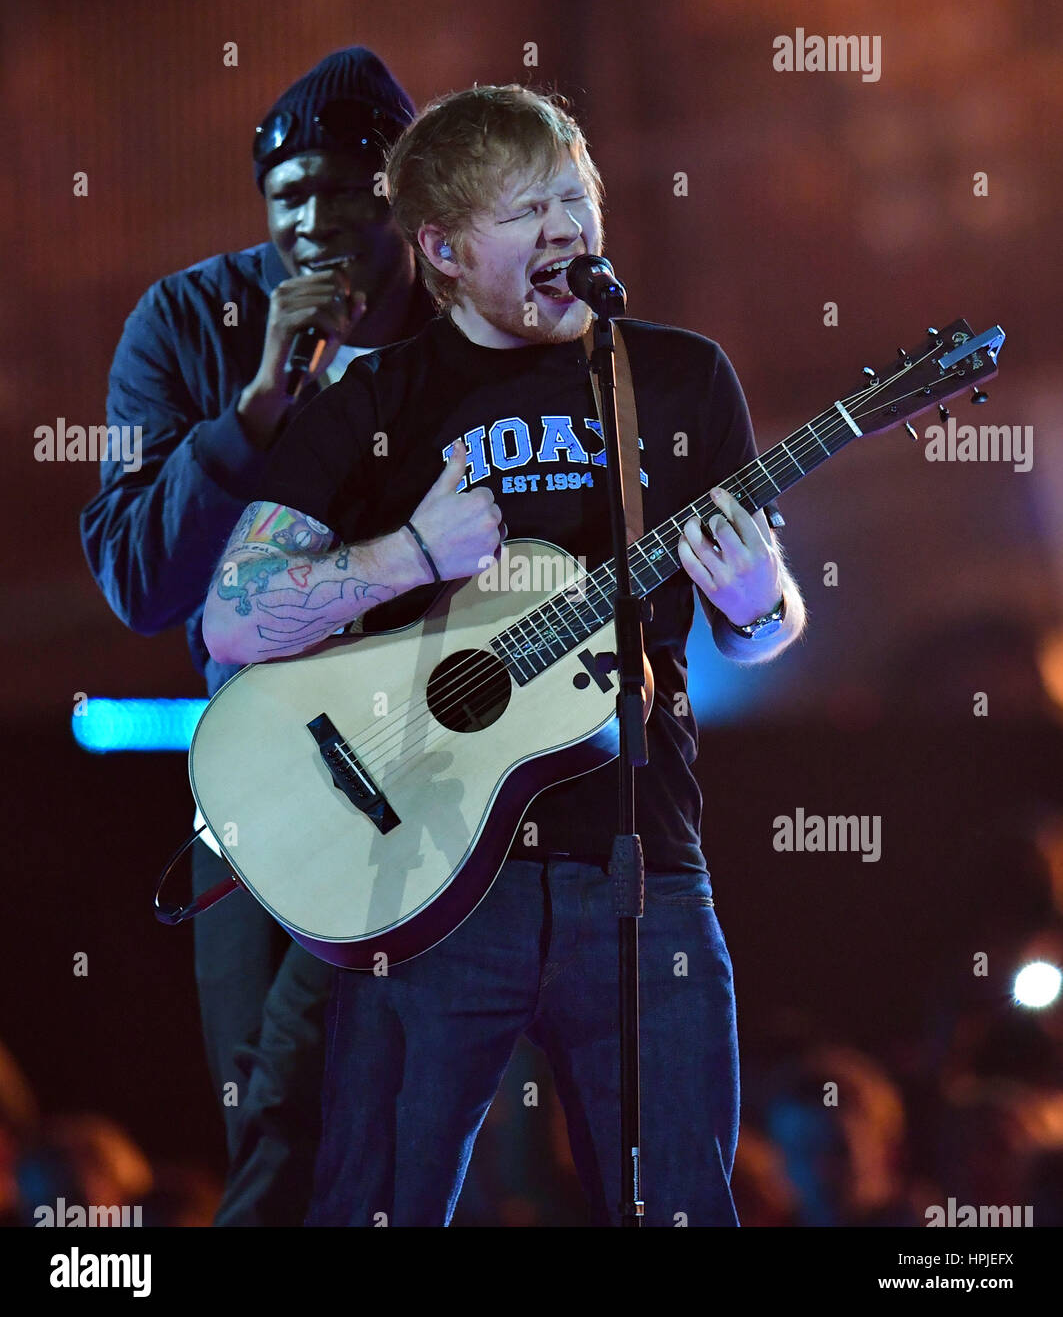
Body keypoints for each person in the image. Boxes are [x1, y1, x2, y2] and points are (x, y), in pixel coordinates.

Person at [202, 84, 807, 1226]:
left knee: (678, 1206)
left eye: (574, 199)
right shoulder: (379, 397)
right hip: (420, 880)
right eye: (527, 211)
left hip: (642, 873)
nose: (565, 231)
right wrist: (403, 556)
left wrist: (757, 599)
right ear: (440, 247)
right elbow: (231, 617)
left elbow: (761, 629)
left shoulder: (676, 380)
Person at [80, 46, 434, 1226]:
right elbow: (137, 580)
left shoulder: (469, 318)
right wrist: (253, 416)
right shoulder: (185, 322)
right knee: (276, 1131)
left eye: (346, 197)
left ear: (406, 192)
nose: (316, 230)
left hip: (450, 772)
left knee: (450, 1144)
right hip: (262, 785)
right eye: (290, 205)